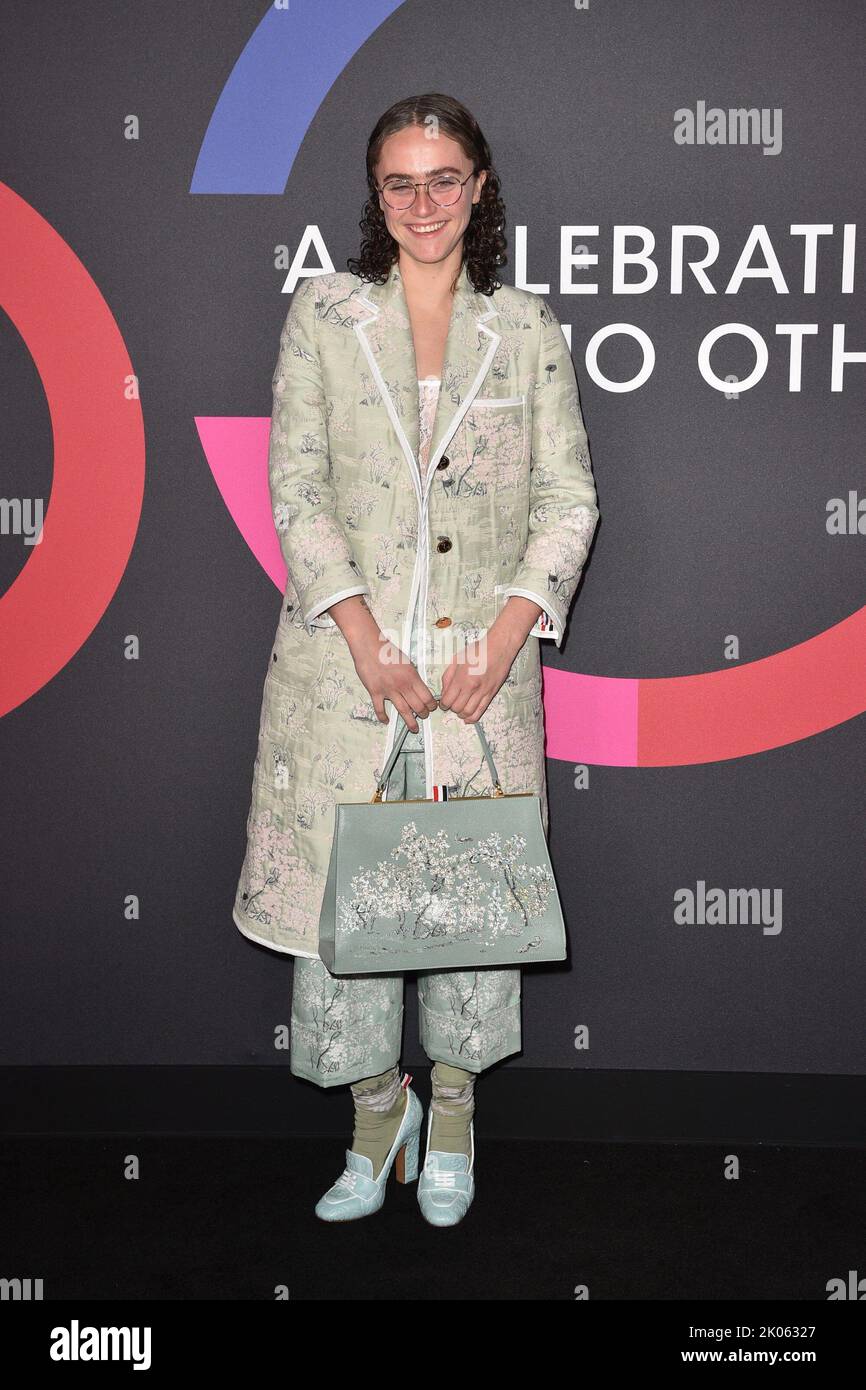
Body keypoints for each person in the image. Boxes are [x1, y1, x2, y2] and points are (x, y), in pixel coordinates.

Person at [233, 93, 599, 1225]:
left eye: (445, 178)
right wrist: (361, 637)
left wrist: (501, 642)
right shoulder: (326, 313)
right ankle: (369, 1122)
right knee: (348, 915)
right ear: (373, 194)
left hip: (476, 683)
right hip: (348, 676)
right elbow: (295, 488)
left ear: (479, 185)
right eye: (401, 181)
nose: (424, 201)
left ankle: (451, 1115)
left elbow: (566, 498)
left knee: (461, 907)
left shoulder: (525, 327)